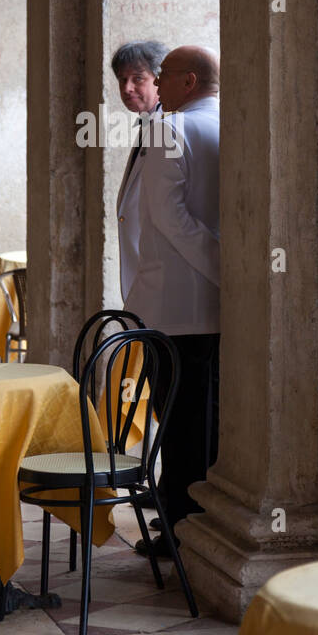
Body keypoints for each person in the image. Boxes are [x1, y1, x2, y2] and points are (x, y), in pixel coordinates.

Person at [124, 45, 220, 557]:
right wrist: (229, 276)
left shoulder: (173, 128)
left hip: (176, 301)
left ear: (188, 81)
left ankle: (180, 527)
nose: (156, 87)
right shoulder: (229, 125)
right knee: (202, 420)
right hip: (211, 304)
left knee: (180, 423)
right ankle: (189, 521)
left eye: (163, 76)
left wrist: (218, 269)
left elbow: (169, 218)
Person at [111, 40, 169, 302]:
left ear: (159, 80)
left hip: (164, 278)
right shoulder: (147, 125)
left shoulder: (170, 128)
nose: (127, 88)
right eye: (122, 79)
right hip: (145, 277)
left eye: (137, 78)